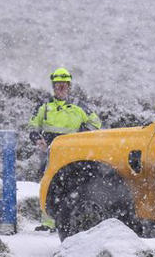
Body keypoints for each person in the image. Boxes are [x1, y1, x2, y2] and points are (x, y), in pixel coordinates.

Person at [29, 67, 102, 231]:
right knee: (49, 184)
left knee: (71, 186)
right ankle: (48, 223)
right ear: (53, 86)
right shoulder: (44, 105)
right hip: (50, 151)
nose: (61, 87)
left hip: (72, 152)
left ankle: (67, 220)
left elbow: (96, 124)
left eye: (64, 84)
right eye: (58, 85)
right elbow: (32, 126)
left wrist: (81, 136)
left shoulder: (79, 106)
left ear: (69, 86)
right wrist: (38, 140)